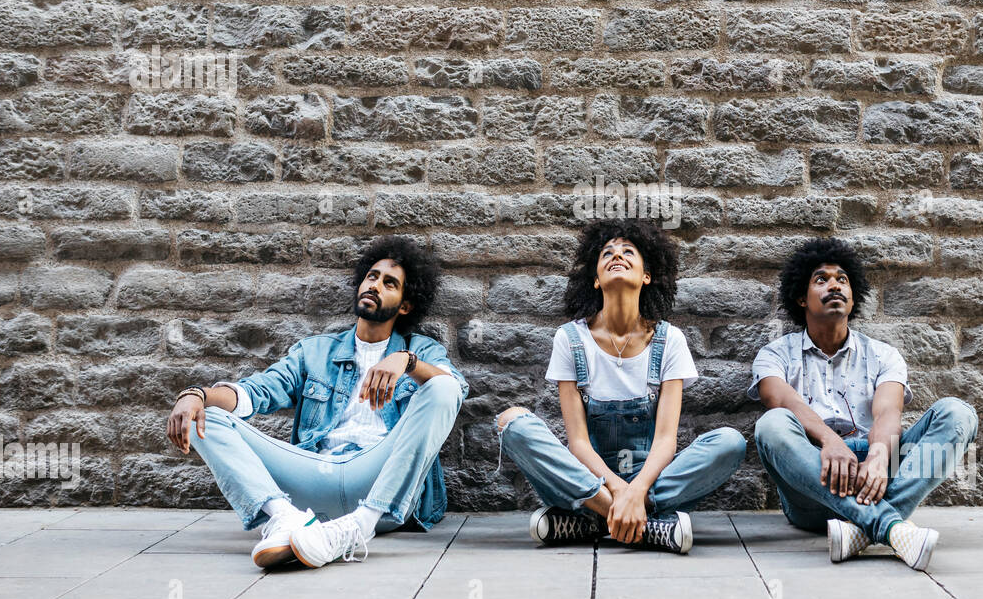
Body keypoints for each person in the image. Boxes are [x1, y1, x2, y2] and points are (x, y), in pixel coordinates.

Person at [164, 235, 468, 570]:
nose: (375, 285)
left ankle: (358, 527)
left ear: (405, 305)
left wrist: (406, 362)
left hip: (381, 482)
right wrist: (197, 394)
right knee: (202, 416)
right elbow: (255, 393)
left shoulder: (421, 351)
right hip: (312, 478)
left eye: (389, 283)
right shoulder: (314, 352)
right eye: (371, 277)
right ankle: (286, 521)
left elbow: (454, 390)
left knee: (443, 387)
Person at [494, 219, 746, 554]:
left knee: (730, 442)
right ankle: (641, 523)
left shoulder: (669, 340)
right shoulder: (570, 339)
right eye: (607, 253)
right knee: (512, 423)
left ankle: (592, 522)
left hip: (649, 479)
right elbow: (579, 443)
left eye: (629, 251)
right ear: (596, 280)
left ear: (647, 276)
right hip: (585, 480)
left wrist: (637, 490)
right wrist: (618, 492)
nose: (618, 255)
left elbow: (666, 440)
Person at [750, 237, 978, 571]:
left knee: (959, 413)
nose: (834, 286)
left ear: (854, 296)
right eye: (821, 280)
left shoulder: (884, 355)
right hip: (813, 480)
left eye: (842, 280)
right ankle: (892, 527)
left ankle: (860, 530)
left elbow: (888, 411)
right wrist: (830, 441)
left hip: (874, 473)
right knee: (771, 426)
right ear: (801, 297)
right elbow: (780, 399)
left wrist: (878, 455)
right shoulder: (775, 354)